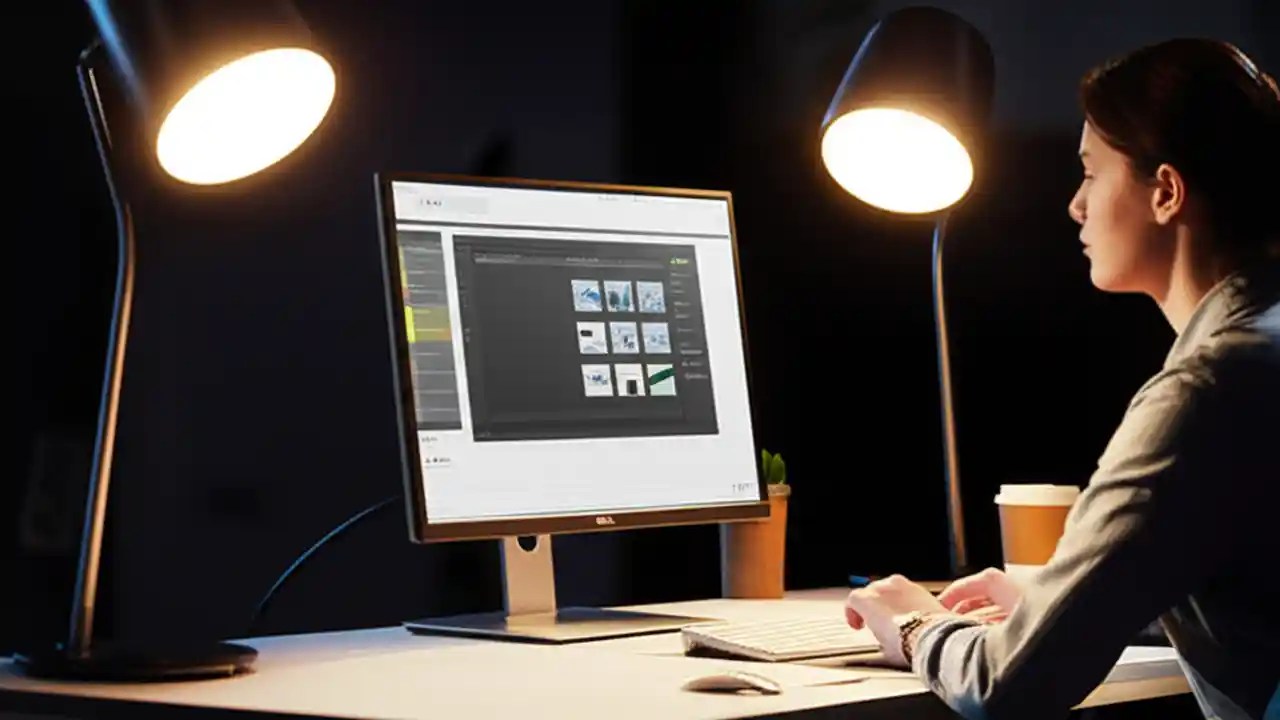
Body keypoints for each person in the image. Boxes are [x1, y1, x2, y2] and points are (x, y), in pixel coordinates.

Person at [842, 38, 1280, 720]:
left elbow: (1006, 686)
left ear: (1165, 192)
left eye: (1090, 175)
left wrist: (915, 624)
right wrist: (1057, 602)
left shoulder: (1209, 389)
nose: (1076, 206)